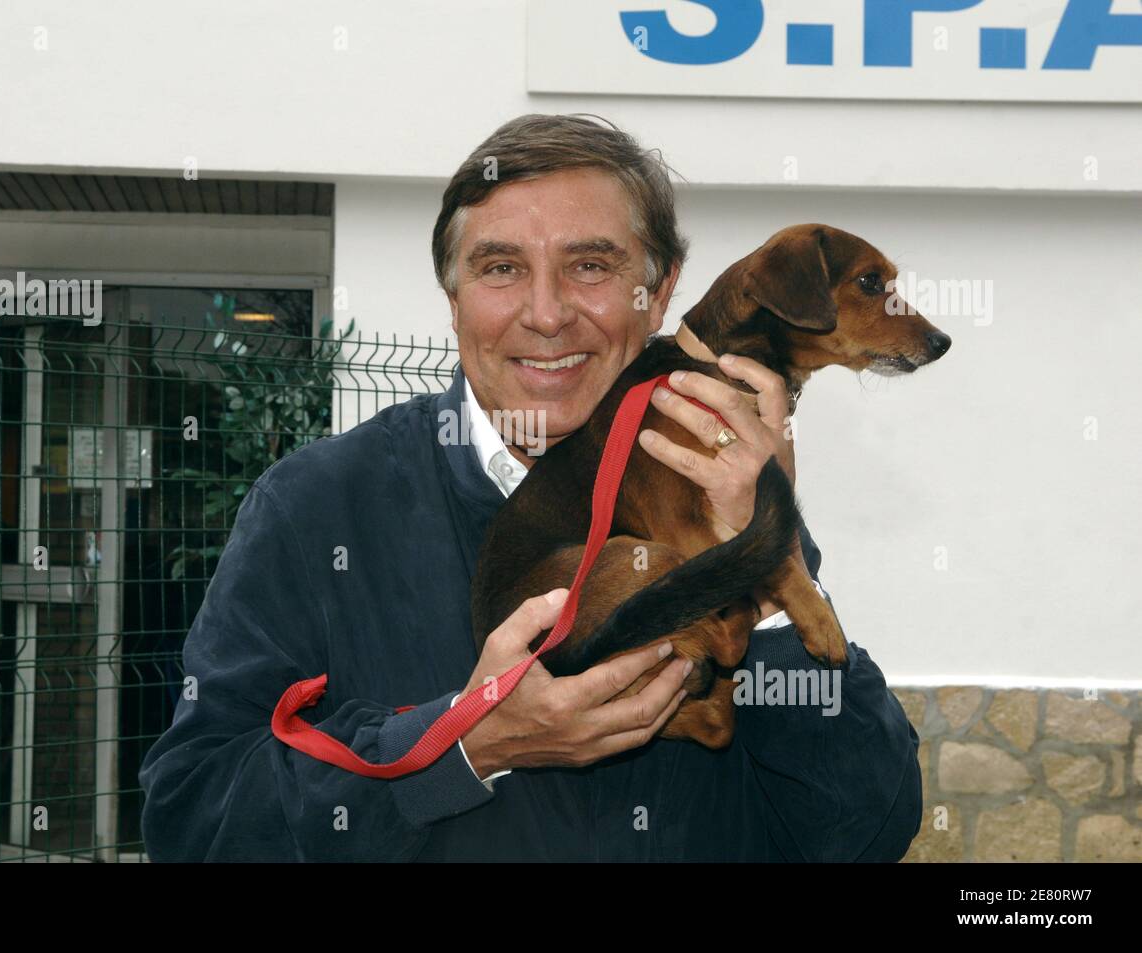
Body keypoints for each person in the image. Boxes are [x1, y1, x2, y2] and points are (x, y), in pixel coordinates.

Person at [139, 114, 923, 861]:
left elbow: (867, 828)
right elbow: (195, 821)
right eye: (502, 268)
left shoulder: (733, 492)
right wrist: (461, 744)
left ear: (660, 289)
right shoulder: (317, 507)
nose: (547, 315)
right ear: (453, 301)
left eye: (591, 266)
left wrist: (771, 571)